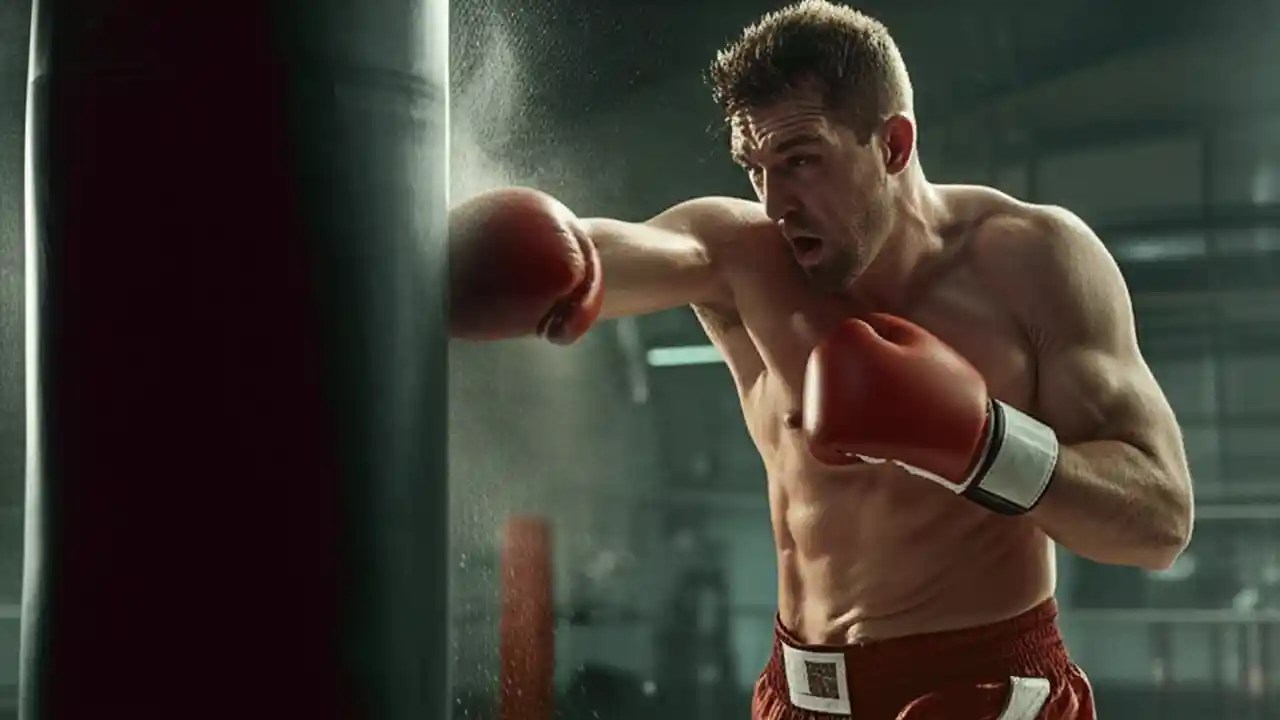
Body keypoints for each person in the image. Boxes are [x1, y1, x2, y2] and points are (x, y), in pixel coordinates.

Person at [448, 1, 1195, 717]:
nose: (775, 202)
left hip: (983, 691)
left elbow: (1160, 521)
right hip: (798, 698)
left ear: (893, 145)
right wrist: (533, 257)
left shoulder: (1037, 261)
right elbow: (616, 250)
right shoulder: (742, 256)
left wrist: (983, 444)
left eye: (800, 160)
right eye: (754, 166)